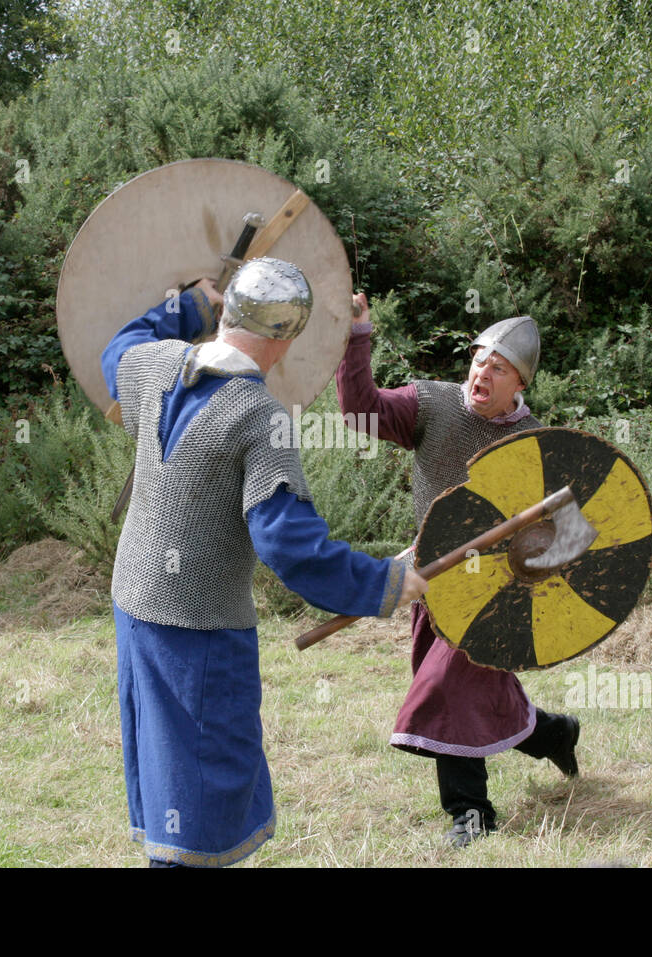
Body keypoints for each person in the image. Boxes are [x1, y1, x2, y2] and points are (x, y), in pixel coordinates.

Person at [101, 258, 427, 867]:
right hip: (199, 632)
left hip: (135, 604)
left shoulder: (154, 365)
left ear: (228, 311)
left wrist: (185, 305)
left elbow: (119, 347)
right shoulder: (260, 417)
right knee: (203, 785)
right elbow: (289, 546)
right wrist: (385, 581)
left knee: (166, 766)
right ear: (286, 338)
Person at [335, 294, 580, 847]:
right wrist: (356, 336)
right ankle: (553, 734)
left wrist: (526, 560)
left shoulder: (537, 444)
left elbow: (567, 539)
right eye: (478, 361)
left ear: (520, 384)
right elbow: (359, 410)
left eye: (497, 368)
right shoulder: (433, 406)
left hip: (496, 596)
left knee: (447, 690)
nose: (481, 374)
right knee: (472, 697)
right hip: (434, 585)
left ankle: (471, 813)